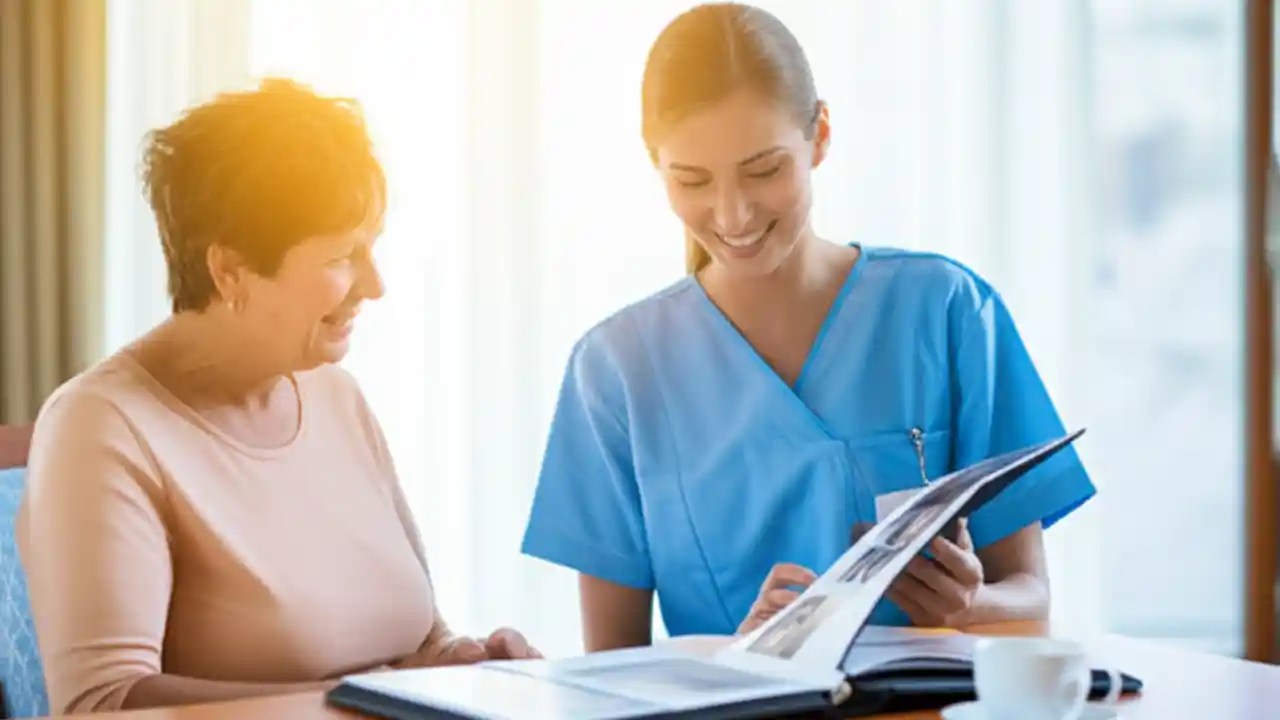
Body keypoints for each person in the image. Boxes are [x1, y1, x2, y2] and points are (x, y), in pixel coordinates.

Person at [520, 2, 1096, 652]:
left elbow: (1032, 598)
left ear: (819, 134)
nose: (732, 214)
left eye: (764, 169)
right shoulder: (616, 369)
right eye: (692, 180)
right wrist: (731, 659)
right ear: (656, 166)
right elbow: (612, 669)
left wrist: (970, 603)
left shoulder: (947, 310)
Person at [17, 79, 539, 715]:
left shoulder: (336, 397)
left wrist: (464, 667)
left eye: (372, 246)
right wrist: (368, 705)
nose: (374, 285)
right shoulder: (100, 427)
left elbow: (416, 643)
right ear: (230, 269)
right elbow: (106, 703)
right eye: (343, 255)